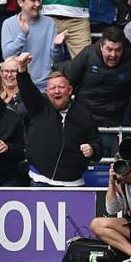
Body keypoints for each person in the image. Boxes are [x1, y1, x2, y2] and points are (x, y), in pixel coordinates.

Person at [15, 52, 103, 186]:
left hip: (73, 185)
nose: (57, 91)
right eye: (53, 88)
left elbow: (98, 145)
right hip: (40, 182)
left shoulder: (84, 114)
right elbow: (27, 89)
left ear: (69, 90)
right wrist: (22, 69)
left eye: (61, 87)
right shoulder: (38, 106)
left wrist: (92, 149)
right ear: (47, 91)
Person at [63, 26, 131, 137]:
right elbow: (68, 81)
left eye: (118, 50)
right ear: (101, 46)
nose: (113, 55)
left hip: (115, 119)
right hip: (84, 114)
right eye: (109, 49)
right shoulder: (87, 55)